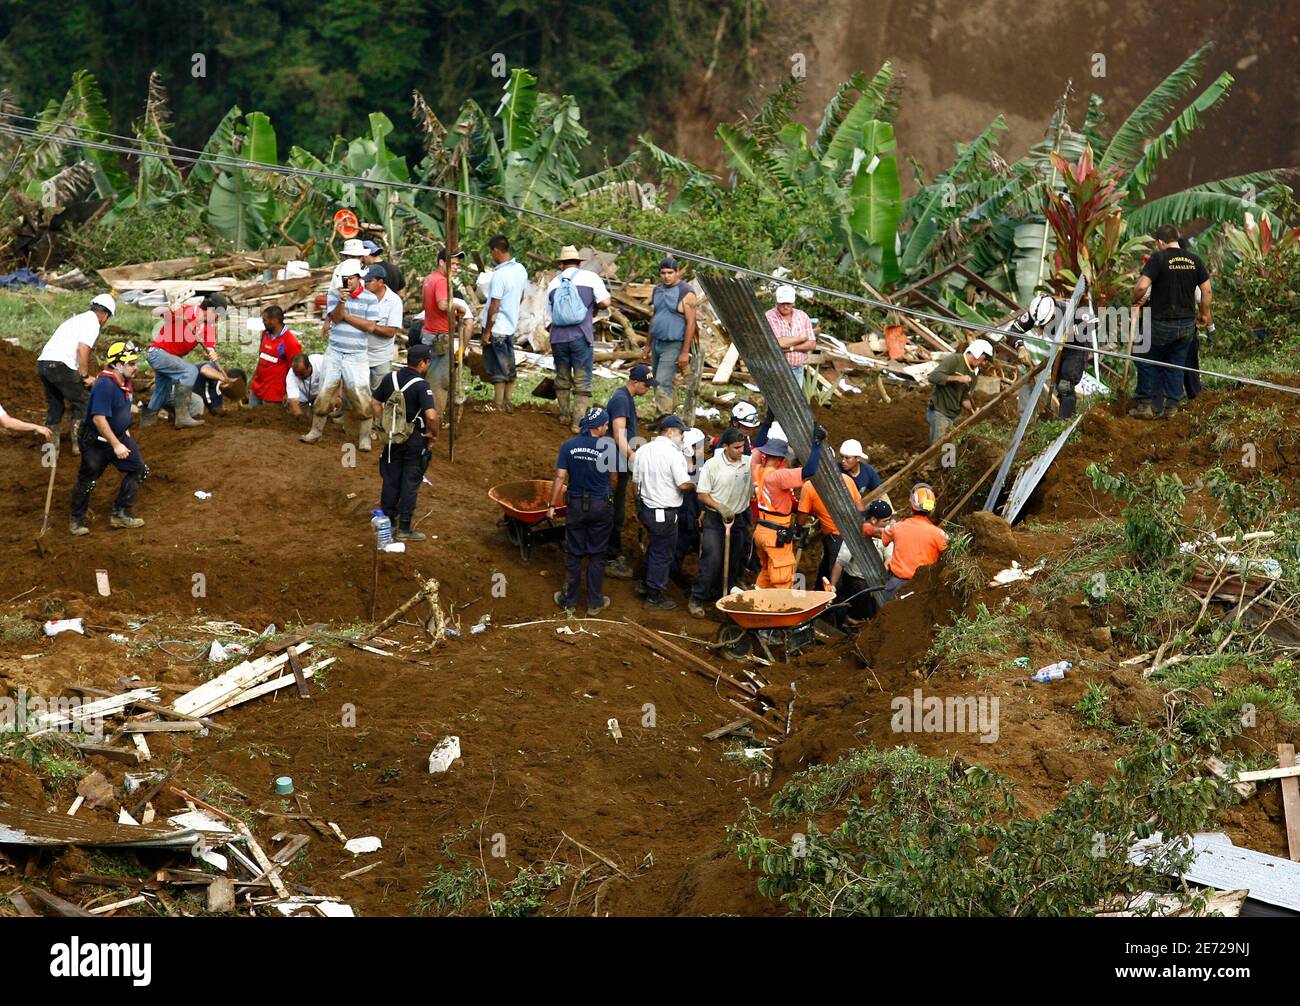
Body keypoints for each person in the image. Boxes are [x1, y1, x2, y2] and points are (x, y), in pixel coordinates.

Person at [1129, 225, 1212, 420]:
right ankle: (1172, 407)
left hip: (1161, 322)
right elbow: (1207, 291)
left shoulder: (1159, 258)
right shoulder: (1194, 260)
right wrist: (1204, 315)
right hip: (1186, 325)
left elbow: (1142, 287)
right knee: (1176, 362)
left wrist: (1135, 299)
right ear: (1177, 238)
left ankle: (1146, 405)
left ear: (1160, 242)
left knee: (1145, 357)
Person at [69, 341, 148, 535]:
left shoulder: (125, 381)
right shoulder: (105, 384)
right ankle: (77, 520)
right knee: (88, 480)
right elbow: (98, 418)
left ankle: (120, 513)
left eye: (135, 363)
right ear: (119, 365)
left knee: (139, 470)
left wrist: (124, 430)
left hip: (118, 436)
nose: (135, 367)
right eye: (131, 364)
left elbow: (119, 409)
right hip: (96, 442)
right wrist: (116, 445)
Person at [548, 406, 616, 616]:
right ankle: (594, 602)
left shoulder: (569, 445)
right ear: (598, 427)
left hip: (576, 504)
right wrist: (608, 496)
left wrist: (551, 505)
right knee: (597, 554)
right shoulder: (608, 447)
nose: (607, 428)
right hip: (600, 505)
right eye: (605, 425)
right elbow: (614, 477)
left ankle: (569, 600)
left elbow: (560, 477)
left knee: (574, 553)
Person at [302, 259, 377, 447]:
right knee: (325, 391)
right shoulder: (335, 295)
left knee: (360, 393)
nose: (347, 282)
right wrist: (342, 301)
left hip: (356, 354)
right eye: (345, 279)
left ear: (359, 278)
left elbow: (370, 326)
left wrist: (347, 317)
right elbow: (335, 317)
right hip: (335, 351)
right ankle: (316, 431)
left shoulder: (370, 298)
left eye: (351, 279)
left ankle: (365, 436)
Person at [371, 344, 439, 542]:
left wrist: (384, 424)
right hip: (414, 439)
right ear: (422, 363)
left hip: (392, 439)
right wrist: (433, 434)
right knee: (410, 482)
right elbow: (431, 415)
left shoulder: (389, 378)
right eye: (428, 362)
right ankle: (405, 528)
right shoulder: (421, 385)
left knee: (390, 479)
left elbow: (375, 402)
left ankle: (389, 522)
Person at [36, 294, 114, 455]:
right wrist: (84, 376)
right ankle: (81, 445)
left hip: (43, 364)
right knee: (85, 403)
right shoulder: (92, 323)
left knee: (55, 407)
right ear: (105, 315)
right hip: (61, 365)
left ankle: (51, 451)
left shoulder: (76, 320)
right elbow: (82, 349)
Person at [688, 427, 754, 618]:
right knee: (712, 559)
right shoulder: (712, 465)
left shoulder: (749, 463)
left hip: (738, 517)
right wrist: (720, 507)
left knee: (735, 558)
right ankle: (698, 597)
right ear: (725, 446)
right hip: (716, 519)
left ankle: (725, 593)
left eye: (743, 447)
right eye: (736, 447)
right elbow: (702, 494)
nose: (741, 451)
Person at [632, 415, 695, 610]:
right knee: (663, 552)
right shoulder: (673, 454)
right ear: (669, 432)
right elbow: (683, 484)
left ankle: (643, 583)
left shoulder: (643, 450)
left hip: (647, 510)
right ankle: (654, 595)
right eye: (681, 433)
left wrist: (639, 504)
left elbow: (635, 483)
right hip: (664, 512)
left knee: (654, 546)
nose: (682, 437)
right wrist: (696, 487)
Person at [142, 292, 232, 429]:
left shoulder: (209, 327)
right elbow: (154, 312)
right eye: (218, 314)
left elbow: (209, 348)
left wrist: (212, 354)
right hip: (158, 354)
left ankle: (147, 424)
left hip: (171, 359)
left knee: (161, 391)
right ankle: (182, 416)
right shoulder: (186, 311)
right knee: (189, 371)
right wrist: (169, 308)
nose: (219, 318)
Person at [751, 427, 825, 590]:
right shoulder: (778, 476)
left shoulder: (757, 470)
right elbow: (810, 470)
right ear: (779, 459)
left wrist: (767, 422)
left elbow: (756, 447)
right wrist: (817, 444)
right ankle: (779, 610)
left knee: (767, 570)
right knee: (782, 575)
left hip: (761, 531)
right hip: (775, 534)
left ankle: (757, 603)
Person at [547, 245, 611, 433]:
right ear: (579, 263)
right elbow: (606, 302)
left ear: (561, 265)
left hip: (558, 338)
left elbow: (549, 315)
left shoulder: (554, 283)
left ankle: (564, 414)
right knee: (582, 379)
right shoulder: (591, 278)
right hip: (581, 336)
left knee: (562, 376)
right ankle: (578, 422)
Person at [603, 364, 653, 579]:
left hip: (620, 462)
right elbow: (618, 435)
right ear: (635, 382)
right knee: (613, 509)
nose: (648, 389)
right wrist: (634, 458)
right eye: (646, 385)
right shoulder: (621, 399)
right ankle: (608, 556)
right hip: (615, 463)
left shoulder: (625, 397)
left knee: (618, 509)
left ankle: (611, 552)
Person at [863, 483, 948, 602]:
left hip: (896, 585)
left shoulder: (897, 528)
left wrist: (866, 527)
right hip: (924, 587)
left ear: (910, 504)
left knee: (888, 615)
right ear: (932, 509)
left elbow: (875, 532)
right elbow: (950, 554)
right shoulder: (939, 534)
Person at [797, 466, 863, 594]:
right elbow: (860, 507)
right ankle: (818, 594)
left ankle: (838, 609)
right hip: (850, 533)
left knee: (836, 573)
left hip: (836, 537)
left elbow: (802, 515)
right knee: (826, 564)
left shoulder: (810, 486)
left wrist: (798, 530)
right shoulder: (846, 479)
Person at [482, 234, 529, 412]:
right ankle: (508, 401)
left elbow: (494, 305)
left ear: (495, 251)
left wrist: (487, 331)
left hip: (498, 327)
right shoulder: (521, 270)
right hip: (510, 326)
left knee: (499, 366)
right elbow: (522, 296)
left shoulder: (500, 275)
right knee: (509, 363)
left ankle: (498, 404)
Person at [826, 499, 893, 622]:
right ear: (873, 520)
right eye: (885, 521)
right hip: (856, 582)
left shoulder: (886, 533)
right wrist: (832, 586)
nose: (888, 523)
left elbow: (889, 555)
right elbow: (840, 562)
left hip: (878, 580)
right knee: (858, 614)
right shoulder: (855, 535)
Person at [645, 257, 697, 417]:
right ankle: (667, 417)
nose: (666, 276)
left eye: (670, 273)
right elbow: (655, 317)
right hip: (657, 343)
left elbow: (691, 324)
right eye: (663, 273)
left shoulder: (686, 293)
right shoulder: (658, 290)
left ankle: (663, 419)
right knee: (659, 382)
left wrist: (684, 352)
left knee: (662, 381)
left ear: (677, 272)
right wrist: (648, 344)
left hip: (674, 344)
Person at [420, 249, 467, 414]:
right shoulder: (441, 281)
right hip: (439, 337)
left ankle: (428, 415)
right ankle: (434, 418)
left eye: (457, 264)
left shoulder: (429, 279)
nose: (455, 267)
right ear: (441, 262)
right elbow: (441, 304)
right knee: (439, 382)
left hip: (429, 333)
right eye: (452, 263)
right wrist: (457, 306)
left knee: (430, 377)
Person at [926, 339, 992, 444]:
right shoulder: (955, 360)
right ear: (977, 352)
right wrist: (957, 378)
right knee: (939, 449)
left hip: (954, 416)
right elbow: (933, 377)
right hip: (940, 412)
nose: (984, 363)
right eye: (984, 359)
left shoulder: (974, 374)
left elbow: (964, 397)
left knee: (950, 450)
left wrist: (973, 410)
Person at [670, 427, 708, 588]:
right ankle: (672, 581)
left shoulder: (703, 466)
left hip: (699, 517)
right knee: (677, 550)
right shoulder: (677, 465)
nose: (702, 450)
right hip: (682, 517)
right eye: (699, 447)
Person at [248, 306, 303, 408]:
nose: (263, 322)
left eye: (265, 320)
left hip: (274, 395)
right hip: (257, 388)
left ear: (274, 321)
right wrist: (252, 379)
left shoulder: (290, 341)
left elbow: (296, 370)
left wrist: (290, 393)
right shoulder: (265, 334)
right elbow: (261, 360)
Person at [766, 285, 816, 383]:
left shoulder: (802, 316)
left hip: (798, 369)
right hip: (777, 370)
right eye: (782, 303)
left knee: (796, 398)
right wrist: (801, 338)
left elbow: (812, 344)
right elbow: (778, 343)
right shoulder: (770, 316)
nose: (785, 306)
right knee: (777, 397)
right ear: (776, 301)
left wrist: (790, 348)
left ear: (793, 302)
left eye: (788, 303)